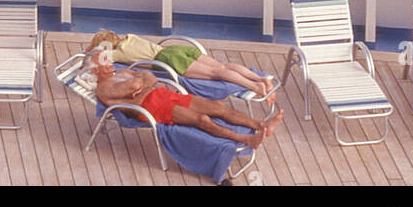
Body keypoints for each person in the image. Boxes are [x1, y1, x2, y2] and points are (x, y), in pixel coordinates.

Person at [93, 60, 283, 149]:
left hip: (162, 94)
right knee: (202, 120)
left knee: (217, 107)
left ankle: (261, 125)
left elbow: (149, 77)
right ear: (95, 70)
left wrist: (141, 82)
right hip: (150, 108)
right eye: (103, 62)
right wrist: (139, 82)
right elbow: (138, 82)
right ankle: (246, 140)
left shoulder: (120, 72)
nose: (109, 63)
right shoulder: (104, 87)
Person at [87, 30, 273, 95]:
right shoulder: (130, 38)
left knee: (215, 74)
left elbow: (99, 56)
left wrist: (90, 50)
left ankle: (254, 87)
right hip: (175, 49)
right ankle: (259, 79)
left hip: (168, 59)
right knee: (221, 66)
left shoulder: (119, 53)